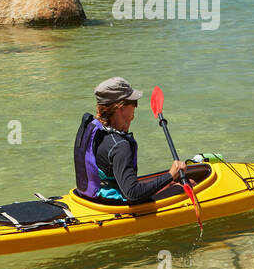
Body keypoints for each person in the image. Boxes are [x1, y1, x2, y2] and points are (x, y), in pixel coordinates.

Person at [73, 77, 187, 205]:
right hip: (114, 203)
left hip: (91, 198)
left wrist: (167, 181)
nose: (135, 108)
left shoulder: (96, 132)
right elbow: (133, 194)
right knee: (189, 186)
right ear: (120, 107)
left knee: (169, 184)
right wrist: (171, 174)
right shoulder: (120, 146)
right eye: (134, 103)